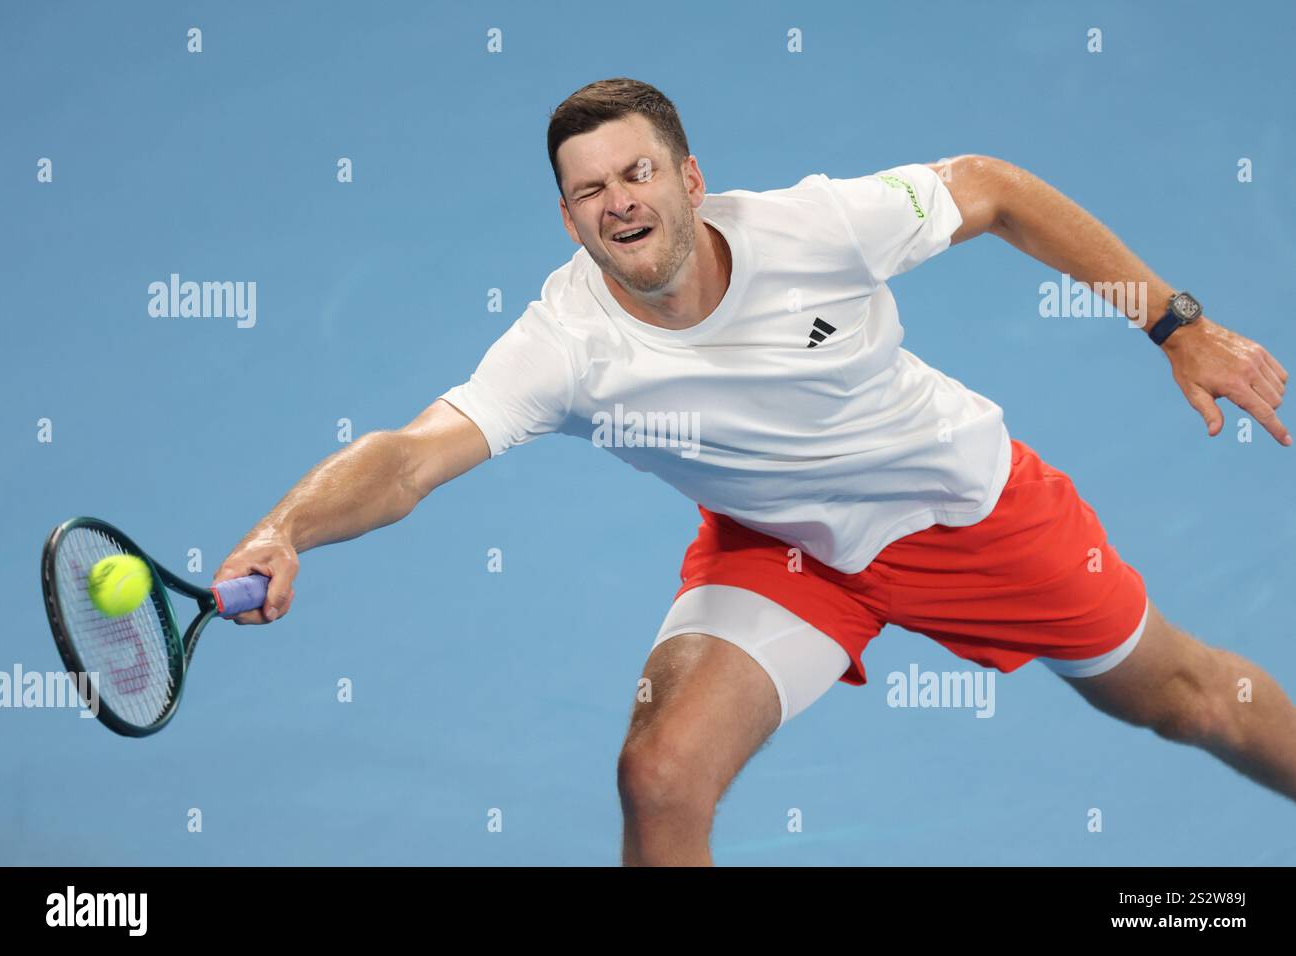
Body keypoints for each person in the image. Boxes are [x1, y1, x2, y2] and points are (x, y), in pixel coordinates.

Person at [215, 77, 1295, 866]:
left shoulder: (815, 230)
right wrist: (285, 528)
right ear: (566, 216)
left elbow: (993, 188)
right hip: (781, 545)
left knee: (1188, 700)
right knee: (660, 773)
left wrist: (1172, 322)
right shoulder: (564, 341)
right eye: (589, 190)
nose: (619, 202)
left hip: (966, 515)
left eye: (636, 172)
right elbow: (406, 458)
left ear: (689, 178)